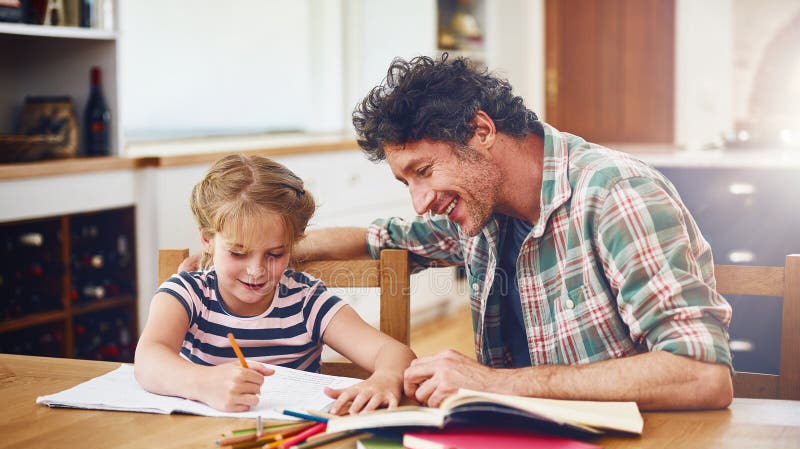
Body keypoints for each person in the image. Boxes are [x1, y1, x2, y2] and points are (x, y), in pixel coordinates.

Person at [293, 55, 735, 411]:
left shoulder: (616, 194)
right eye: (407, 182)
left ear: (482, 131)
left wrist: (491, 384)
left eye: (424, 171)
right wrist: (277, 248)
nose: (420, 200)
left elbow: (701, 374)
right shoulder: (483, 211)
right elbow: (384, 238)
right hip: (521, 446)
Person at [135, 154, 415, 415]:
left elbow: (393, 352)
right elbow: (148, 358)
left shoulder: (306, 301)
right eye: (238, 253)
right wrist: (202, 383)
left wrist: (385, 378)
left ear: (292, 247)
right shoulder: (187, 293)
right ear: (207, 240)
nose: (257, 271)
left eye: (275, 254)